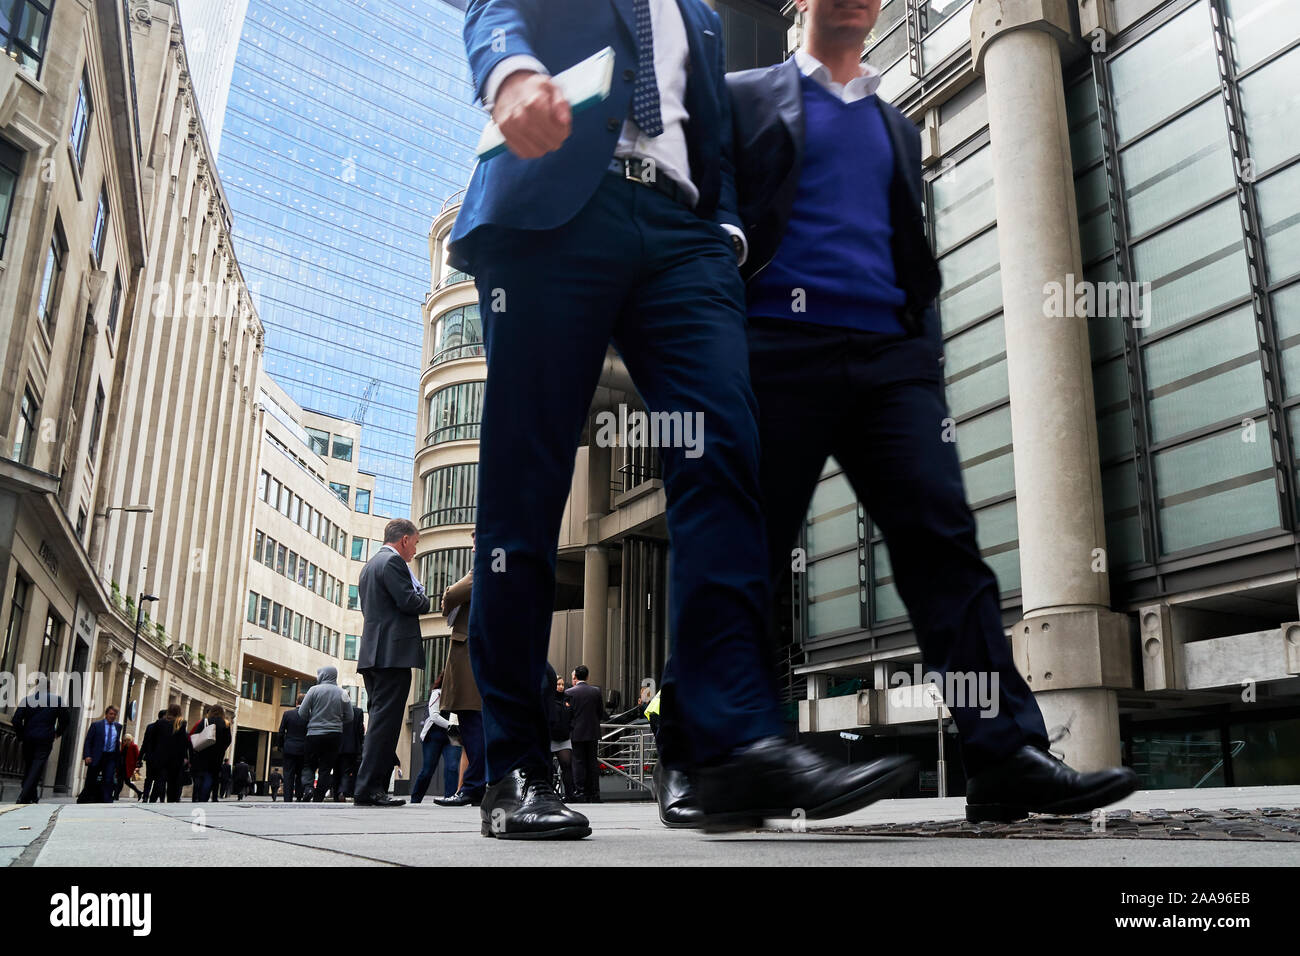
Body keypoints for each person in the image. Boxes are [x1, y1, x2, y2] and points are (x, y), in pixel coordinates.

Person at [449, 0, 915, 840]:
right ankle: (515, 761)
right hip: (557, 212)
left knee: (728, 453)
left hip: (683, 234)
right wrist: (509, 72)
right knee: (528, 479)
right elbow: (492, 7)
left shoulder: (698, 15)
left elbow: (711, 132)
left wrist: (726, 225)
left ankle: (716, 749)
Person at [724, 0, 1140, 824]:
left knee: (945, 547)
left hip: (889, 357)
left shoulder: (893, 123)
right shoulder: (742, 95)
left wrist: (925, 350)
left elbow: (902, 242)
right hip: (773, 347)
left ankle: (1002, 755)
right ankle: (715, 755)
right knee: (743, 553)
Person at [355, 518, 431, 807]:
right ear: (403, 540)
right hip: (392, 656)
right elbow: (411, 603)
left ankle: (368, 786)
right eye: (415, 543)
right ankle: (370, 789)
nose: (414, 549)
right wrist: (423, 596)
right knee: (385, 724)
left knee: (378, 721)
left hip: (374, 654)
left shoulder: (370, 566)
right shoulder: (393, 563)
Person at [433, 554, 485, 807]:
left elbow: (452, 594)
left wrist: (451, 592)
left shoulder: (484, 562)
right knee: (474, 723)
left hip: (469, 654)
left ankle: (473, 787)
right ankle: (475, 786)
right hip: (476, 651)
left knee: (472, 722)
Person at [12, 677, 70, 804]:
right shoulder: (57, 700)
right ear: (49, 687)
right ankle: (23, 796)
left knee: (29, 766)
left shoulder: (27, 700)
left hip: (28, 738)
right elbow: (66, 720)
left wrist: (22, 734)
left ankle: (32, 796)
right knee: (36, 767)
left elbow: (16, 720)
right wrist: (57, 733)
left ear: (37, 687)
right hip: (45, 738)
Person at [298, 665, 351, 801]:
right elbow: (350, 716)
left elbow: (302, 712)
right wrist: (337, 721)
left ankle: (308, 788)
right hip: (334, 735)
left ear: (322, 675)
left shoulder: (313, 690)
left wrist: (313, 719)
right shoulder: (343, 693)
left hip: (314, 734)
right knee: (326, 768)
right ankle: (319, 797)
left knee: (308, 765)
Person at [411, 678, 461, 803]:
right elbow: (434, 716)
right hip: (433, 736)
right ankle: (415, 800)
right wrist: (452, 725)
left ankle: (450, 798)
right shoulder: (437, 693)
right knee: (427, 770)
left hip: (452, 736)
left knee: (453, 767)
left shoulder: (460, 695)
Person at [565, 665, 604, 803]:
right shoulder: (596, 691)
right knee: (592, 762)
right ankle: (594, 793)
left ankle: (580, 792)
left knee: (578, 762)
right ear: (587, 676)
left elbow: (568, 714)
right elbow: (600, 712)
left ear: (575, 676)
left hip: (577, 732)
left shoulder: (569, 692)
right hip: (593, 731)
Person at [80, 705, 124, 803]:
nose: (112, 716)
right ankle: (86, 799)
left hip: (110, 757)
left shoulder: (118, 727)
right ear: (106, 714)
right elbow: (88, 741)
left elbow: (117, 742)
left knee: (108, 779)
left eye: (114, 714)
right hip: (97, 756)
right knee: (91, 778)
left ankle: (106, 800)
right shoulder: (96, 725)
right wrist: (87, 755)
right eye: (111, 714)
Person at [189, 705, 232, 802]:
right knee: (214, 775)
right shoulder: (225, 724)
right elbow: (228, 740)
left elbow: (196, 735)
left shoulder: (205, 721)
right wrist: (222, 749)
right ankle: (212, 796)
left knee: (201, 775)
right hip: (217, 755)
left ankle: (197, 796)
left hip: (203, 753)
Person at [152, 704, 190, 802]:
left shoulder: (160, 723)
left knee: (160, 779)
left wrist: (154, 755)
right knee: (173, 782)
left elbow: (154, 740)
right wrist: (185, 757)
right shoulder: (181, 723)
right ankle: (171, 800)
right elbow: (183, 743)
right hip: (175, 758)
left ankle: (156, 798)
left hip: (161, 757)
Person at [547, 667, 574, 803]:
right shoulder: (548, 698)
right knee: (547, 768)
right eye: (558, 684)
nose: (561, 686)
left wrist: (570, 728)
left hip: (564, 738)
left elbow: (573, 716)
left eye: (562, 684)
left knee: (566, 765)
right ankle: (548, 794)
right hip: (550, 738)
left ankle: (569, 794)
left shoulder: (568, 699)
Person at [278, 694, 309, 802]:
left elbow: (281, 732)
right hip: (303, 749)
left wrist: (281, 746)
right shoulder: (309, 716)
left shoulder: (287, 714)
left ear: (296, 702)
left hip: (289, 748)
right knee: (301, 774)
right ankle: (299, 796)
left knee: (288, 774)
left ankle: (287, 798)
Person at [335, 697, 366, 801]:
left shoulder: (336, 711)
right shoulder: (358, 712)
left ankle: (337, 793)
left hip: (336, 745)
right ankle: (342, 791)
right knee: (346, 770)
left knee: (336, 770)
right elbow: (360, 730)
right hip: (351, 746)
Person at [139, 709, 170, 802]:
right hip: (158, 758)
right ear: (163, 716)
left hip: (151, 757)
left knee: (150, 778)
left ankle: (146, 796)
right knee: (158, 779)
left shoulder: (150, 727)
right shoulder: (165, 727)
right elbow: (145, 743)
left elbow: (144, 743)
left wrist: (140, 757)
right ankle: (155, 798)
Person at [118, 733, 144, 800]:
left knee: (124, 781)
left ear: (130, 740)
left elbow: (138, 757)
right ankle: (139, 792)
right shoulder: (123, 746)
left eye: (127, 740)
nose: (126, 741)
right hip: (121, 766)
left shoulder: (134, 746)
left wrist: (137, 767)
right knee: (124, 782)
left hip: (129, 767)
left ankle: (116, 795)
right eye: (125, 740)